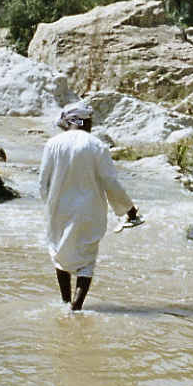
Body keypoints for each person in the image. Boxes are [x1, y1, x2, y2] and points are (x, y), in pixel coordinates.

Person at [39, 100, 138, 311]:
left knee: (59, 252)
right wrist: (128, 209)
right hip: (88, 210)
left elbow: (43, 182)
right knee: (87, 260)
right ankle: (76, 309)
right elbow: (110, 182)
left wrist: (49, 205)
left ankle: (65, 304)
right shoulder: (97, 146)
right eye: (90, 121)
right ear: (83, 121)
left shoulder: (53, 144)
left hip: (58, 209)